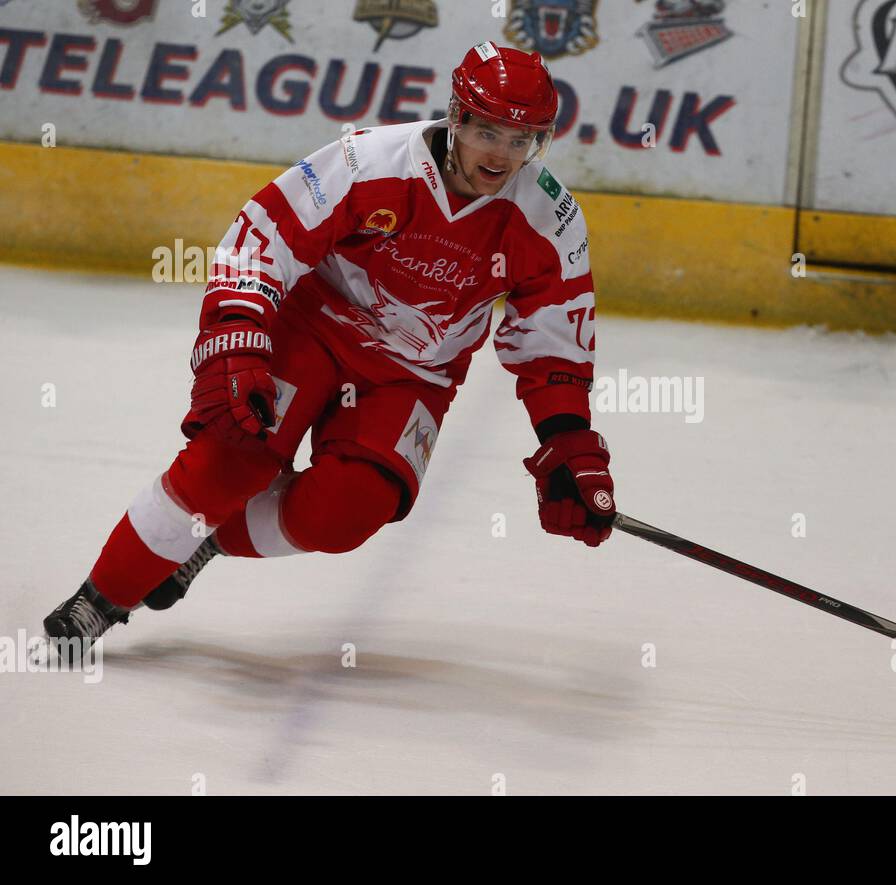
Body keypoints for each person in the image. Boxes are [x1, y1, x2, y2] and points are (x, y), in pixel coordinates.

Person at [42, 41, 616, 648]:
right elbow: (267, 236)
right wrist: (237, 337)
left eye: (521, 140)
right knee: (229, 460)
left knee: (348, 510)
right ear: (457, 117)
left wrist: (568, 443)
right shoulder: (371, 162)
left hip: (415, 374)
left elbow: (554, 341)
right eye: (488, 132)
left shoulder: (550, 218)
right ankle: (100, 598)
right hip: (313, 329)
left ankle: (210, 539)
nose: (501, 155)